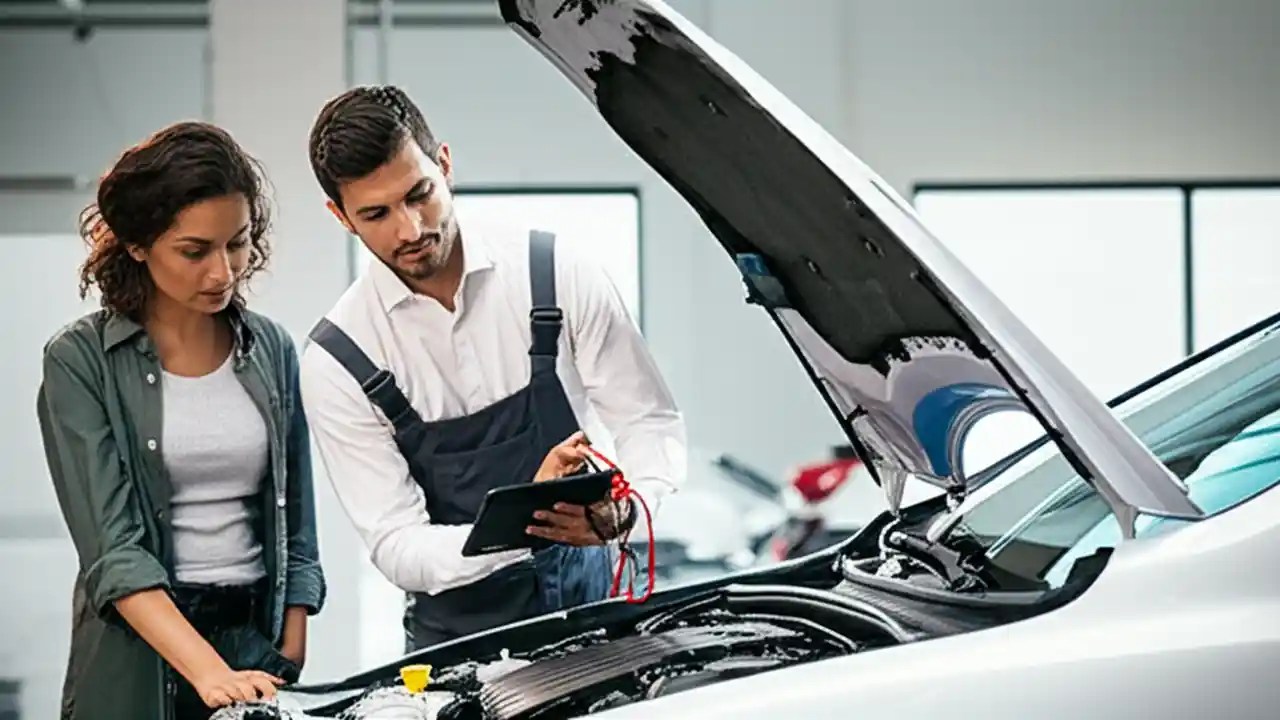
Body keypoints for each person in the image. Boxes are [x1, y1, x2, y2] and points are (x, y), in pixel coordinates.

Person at [299, 84, 687, 649]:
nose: (409, 229)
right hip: (458, 648)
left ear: (446, 164)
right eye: (376, 214)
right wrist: (517, 527)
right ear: (341, 217)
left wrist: (624, 513)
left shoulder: (555, 273)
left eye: (419, 194)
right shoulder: (339, 359)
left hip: (595, 620)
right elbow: (398, 544)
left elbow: (649, 423)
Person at [36, 121, 326, 720]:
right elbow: (112, 551)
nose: (223, 272)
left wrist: (289, 645)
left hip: (254, 642)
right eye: (194, 251)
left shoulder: (271, 348)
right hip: (139, 651)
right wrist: (208, 673)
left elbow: (297, 517)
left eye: (238, 243)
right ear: (138, 244)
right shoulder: (79, 361)